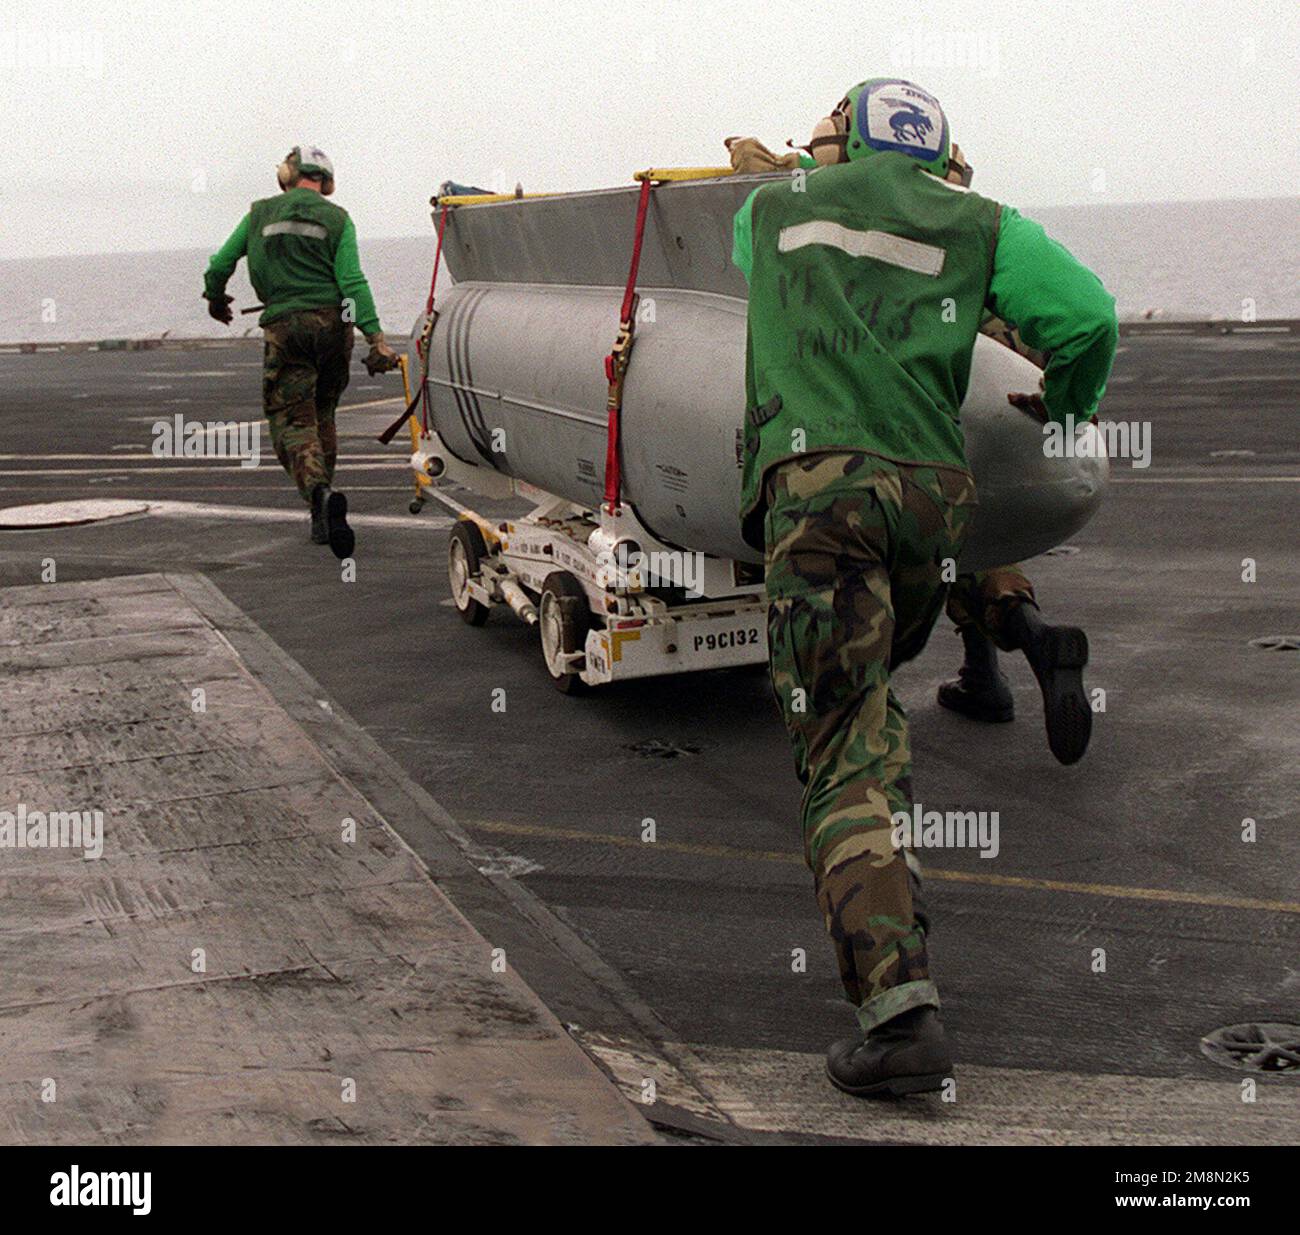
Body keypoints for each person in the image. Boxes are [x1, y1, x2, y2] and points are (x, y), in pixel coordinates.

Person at [730, 79, 1117, 1097]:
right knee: (875, 719)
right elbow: (1086, 318)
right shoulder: (981, 221)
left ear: (843, 140)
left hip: (817, 498)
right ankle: (994, 661)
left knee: (847, 748)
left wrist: (804, 165)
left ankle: (899, 1013)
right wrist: (1067, 406)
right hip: (926, 505)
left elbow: (750, 254)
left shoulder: (771, 208)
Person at [726, 138, 1093, 766]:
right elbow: (1075, 323)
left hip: (906, 425)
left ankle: (930, 688)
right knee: (965, 549)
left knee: (934, 560)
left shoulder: (850, 222)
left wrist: (776, 157)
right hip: (982, 431)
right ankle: (1019, 645)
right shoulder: (966, 229)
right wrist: (1066, 406)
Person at [201, 144, 400, 558]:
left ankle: (318, 494)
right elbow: (352, 281)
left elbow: (220, 264)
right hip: (333, 327)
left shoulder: (260, 213)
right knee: (323, 413)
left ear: (288, 174)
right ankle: (320, 516)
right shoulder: (338, 218)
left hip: (286, 327)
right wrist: (375, 337)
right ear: (324, 181)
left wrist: (215, 299)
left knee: (292, 418)